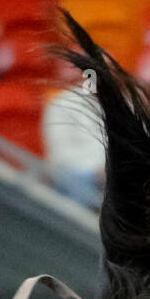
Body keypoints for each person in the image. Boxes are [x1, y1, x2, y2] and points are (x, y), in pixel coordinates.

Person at [43, 73, 107, 209]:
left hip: (106, 175)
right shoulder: (63, 103)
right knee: (76, 180)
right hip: (72, 171)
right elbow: (59, 153)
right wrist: (94, 170)